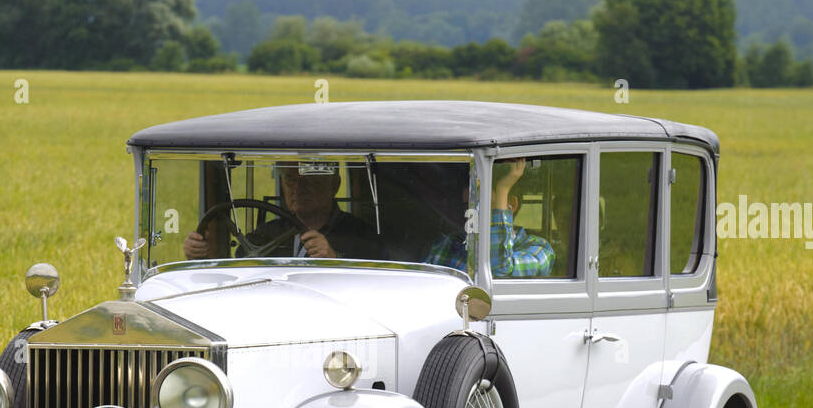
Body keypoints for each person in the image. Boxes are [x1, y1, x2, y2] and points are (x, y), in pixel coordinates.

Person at [183, 162, 379, 260]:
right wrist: (200, 254)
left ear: (334, 186)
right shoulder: (268, 232)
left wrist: (333, 258)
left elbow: (373, 283)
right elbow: (241, 265)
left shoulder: (360, 234)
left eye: (310, 182)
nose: (298, 189)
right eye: (290, 181)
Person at [425, 159, 556, 277]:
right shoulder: (448, 244)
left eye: (484, 204)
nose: (472, 212)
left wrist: (502, 189)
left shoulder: (539, 249)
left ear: (512, 204)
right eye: (468, 206)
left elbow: (496, 270)